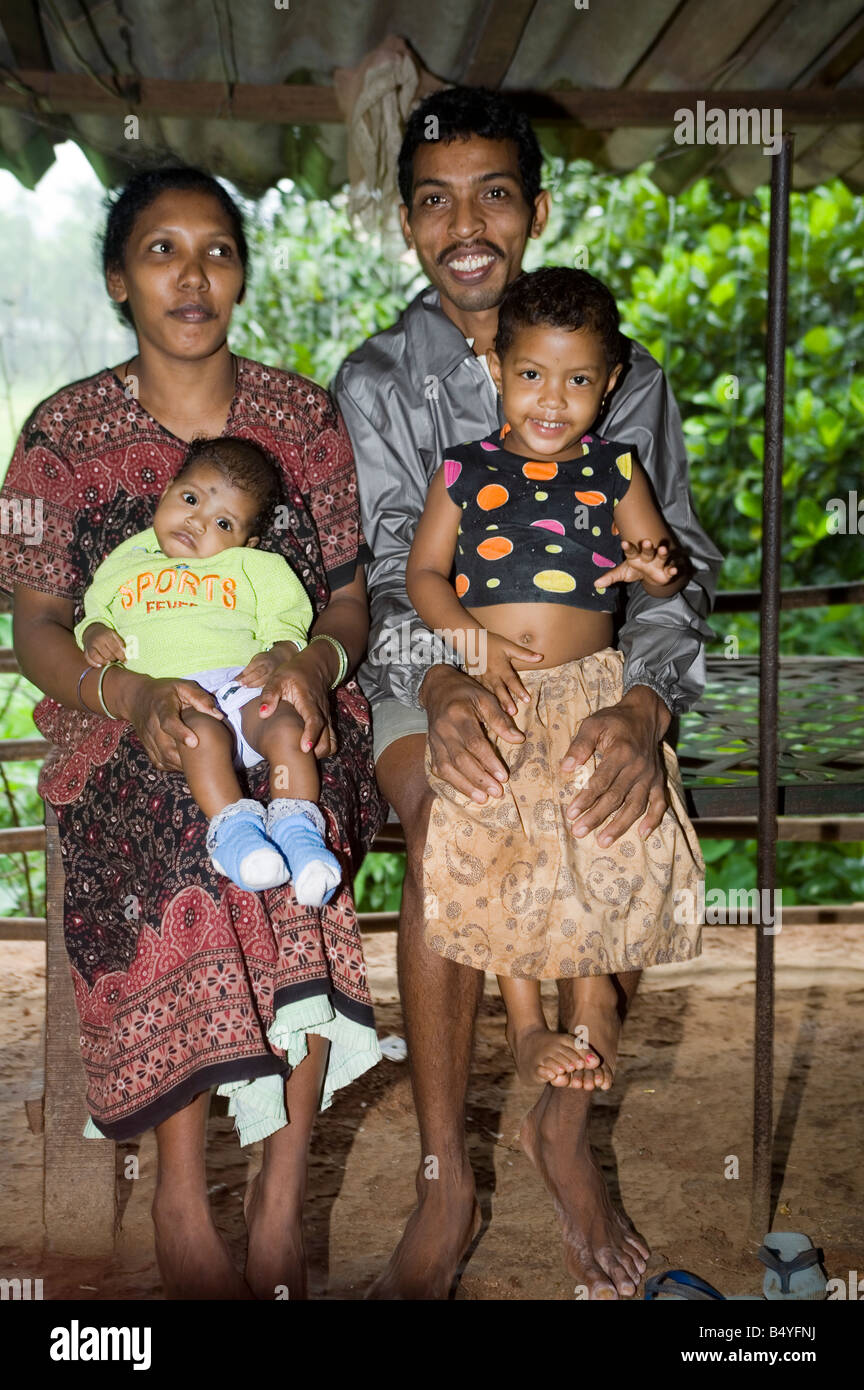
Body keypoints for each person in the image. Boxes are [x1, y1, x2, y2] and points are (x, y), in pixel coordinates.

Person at [334, 86, 723, 1299]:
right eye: (437, 199)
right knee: (455, 809)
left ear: (534, 209)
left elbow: (675, 573)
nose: (467, 223)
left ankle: (564, 1119)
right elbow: (393, 575)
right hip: (426, 667)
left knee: (611, 801)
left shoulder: (628, 379)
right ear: (407, 224)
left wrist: (641, 710)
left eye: (494, 192)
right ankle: (448, 1175)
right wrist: (446, 684)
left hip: (591, 677)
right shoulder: (378, 379)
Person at [1, 165, 388, 1300]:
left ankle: (276, 1199)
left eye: (216, 248)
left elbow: (352, 597)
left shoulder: (300, 418)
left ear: (242, 270)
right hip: (116, 720)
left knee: (295, 828)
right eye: (161, 251)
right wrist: (124, 702)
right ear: (120, 278)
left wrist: (311, 663)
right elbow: (33, 619)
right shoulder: (63, 433)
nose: (192, 273)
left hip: (289, 703)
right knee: (174, 815)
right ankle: (179, 1185)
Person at [407, 265, 705, 1088]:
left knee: (601, 830)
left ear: (609, 386)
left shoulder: (617, 469)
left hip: (593, 688)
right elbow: (424, 575)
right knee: (503, 839)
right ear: (498, 369)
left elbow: (662, 569)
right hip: (497, 693)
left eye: (577, 381)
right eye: (532, 375)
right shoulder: (461, 471)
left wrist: (654, 566)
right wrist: (468, 644)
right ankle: (530, 1024)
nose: (551, 399)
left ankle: (595, 994)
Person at [76, 434, 342, 905]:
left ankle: (300, 834)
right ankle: (235, 834)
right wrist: (95, 630)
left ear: (247, 540)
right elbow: (97, 608)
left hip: (243, 684)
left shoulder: (254, 565)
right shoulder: (126, 562)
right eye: (191, 499)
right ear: (166, 493)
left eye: (222, 522)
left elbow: (287, 617)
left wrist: (281, 652)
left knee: (286, 727)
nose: (197, 521)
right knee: (200, 737)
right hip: (178, 694)